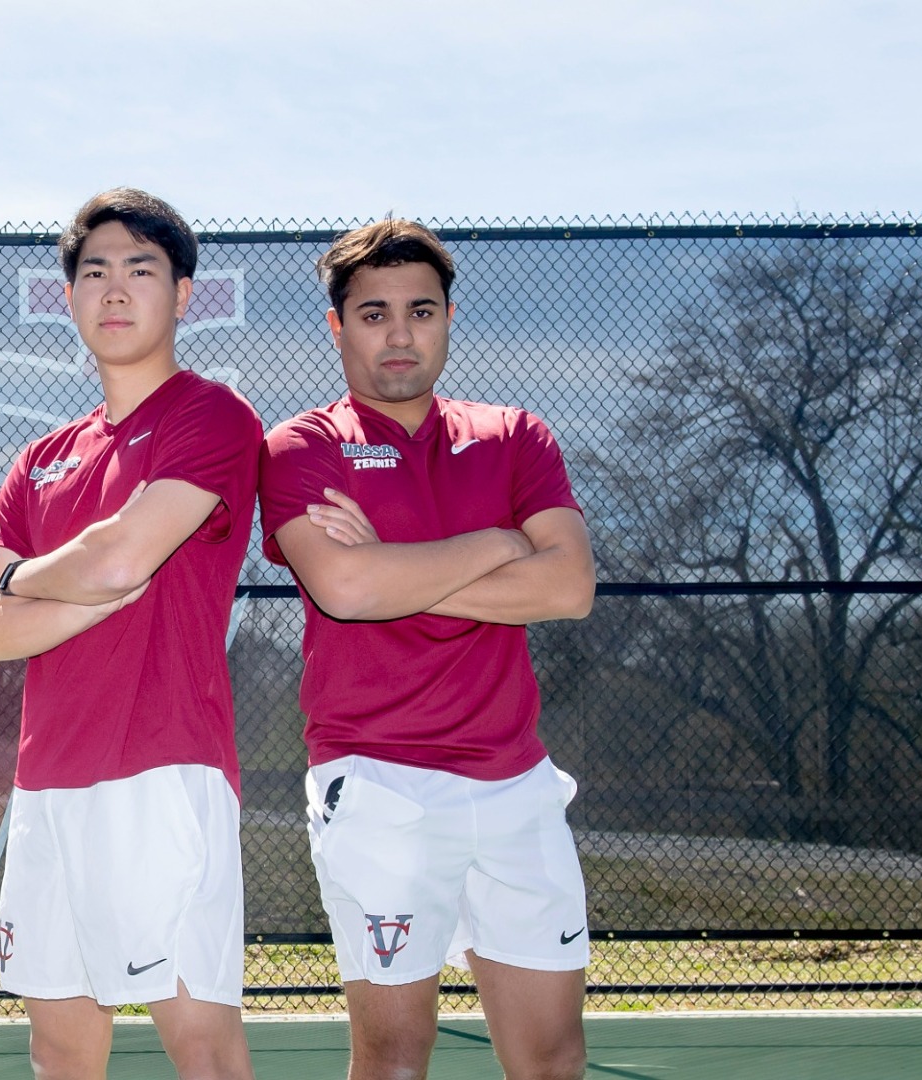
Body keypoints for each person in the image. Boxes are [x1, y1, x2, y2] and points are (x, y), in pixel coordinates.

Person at [257, 219, 597, 1080]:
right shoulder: (303, 447)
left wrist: (395, 569)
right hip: (378, 782)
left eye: (421, 310)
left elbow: (568, 587)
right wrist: (498, 544)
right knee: (397, 1060)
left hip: (516, 782)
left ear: (448, 317)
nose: (400, 334)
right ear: (337, 326)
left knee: (553, 1059)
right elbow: (347, 589)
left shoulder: (515, 435)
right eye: (374, 314)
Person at [0, 188, 262, 1080]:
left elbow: (120, 558)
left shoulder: (212, 416)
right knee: (59, 1050)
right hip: (48, 781)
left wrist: (23, 579)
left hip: (163, 771)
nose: (115, 290)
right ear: (70, 297)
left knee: (202, 1050)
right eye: (95, 272)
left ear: (183, 294)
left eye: (140, 269)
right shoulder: (39, 459)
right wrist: (71, 592)